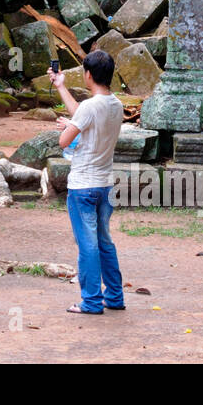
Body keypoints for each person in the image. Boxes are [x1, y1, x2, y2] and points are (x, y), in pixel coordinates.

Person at [49, 50, 126, 315]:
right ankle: (114, 296)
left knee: (88, 245)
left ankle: (91, 301)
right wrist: (61, 87)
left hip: (83, 186)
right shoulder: (115, 105)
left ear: (89, 74)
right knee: (104, 242)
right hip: (105, 184)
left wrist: (66, 129)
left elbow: (64, 141)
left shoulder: (90, 108)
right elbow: (83, 116)